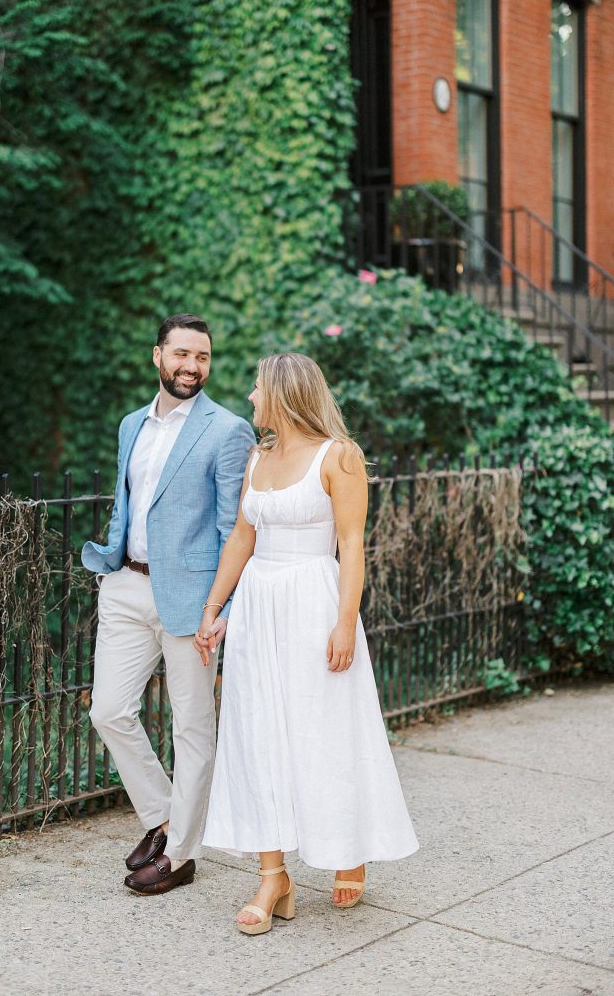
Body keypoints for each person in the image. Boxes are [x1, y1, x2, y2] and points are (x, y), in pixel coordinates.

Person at [195, 352, 418, 934]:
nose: (249, 396)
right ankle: (274, 876)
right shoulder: (256, 458)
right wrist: (215, 609)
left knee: (324, 727)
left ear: (285, 393)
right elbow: (242, 539)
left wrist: (345, 623)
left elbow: (351, 545)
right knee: (256, 731)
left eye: (256, 386)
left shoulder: (338, 456)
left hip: (313, 600)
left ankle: (348, 846)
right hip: (258, 606)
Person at [82, 314, 254, 895]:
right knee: (107, 711)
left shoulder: (228, 431)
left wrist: (222, 606)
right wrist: (109, 560)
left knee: (193, 728)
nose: (192, 367)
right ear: (158, 355)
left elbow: (235, 528)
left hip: (192, 602)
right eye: (182, 354)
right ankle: (161, 817)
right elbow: (125, 501)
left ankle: (180, 853)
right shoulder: (132, 424)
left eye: (202, 357)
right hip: (127, 588)